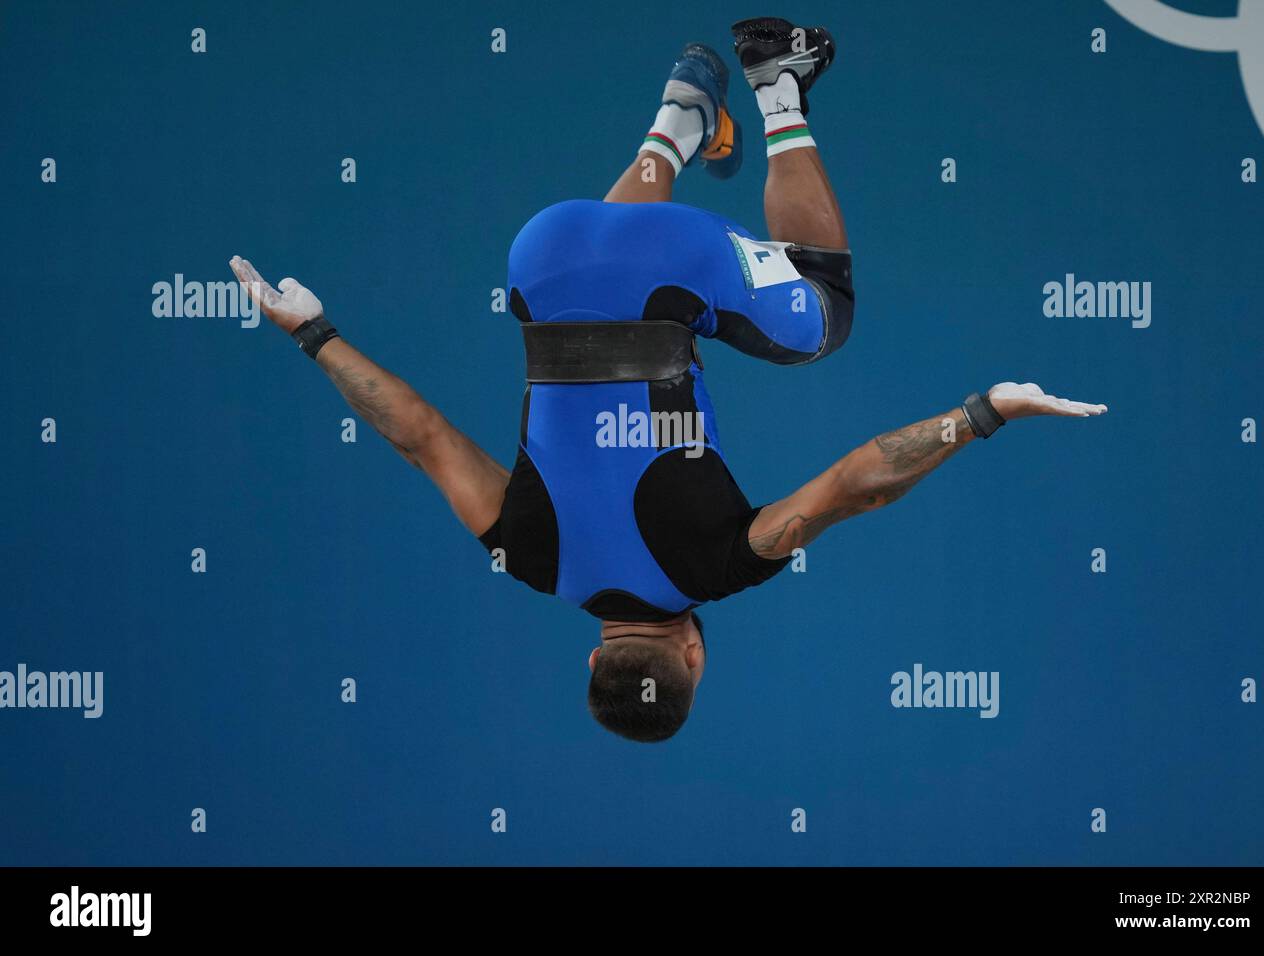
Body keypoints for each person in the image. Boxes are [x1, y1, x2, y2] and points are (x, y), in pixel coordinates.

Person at [228, 18, 1107, 744]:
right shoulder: (528, 558)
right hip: (543, 256)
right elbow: (416, 435)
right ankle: (680, 122)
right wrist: (313, 332)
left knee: (826, 307)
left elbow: (861, 485)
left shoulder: (717, 568)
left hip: (673, 266)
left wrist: (983, 413)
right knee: (604, 268)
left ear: (690, 658)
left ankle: (779, 85)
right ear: (591, 659)